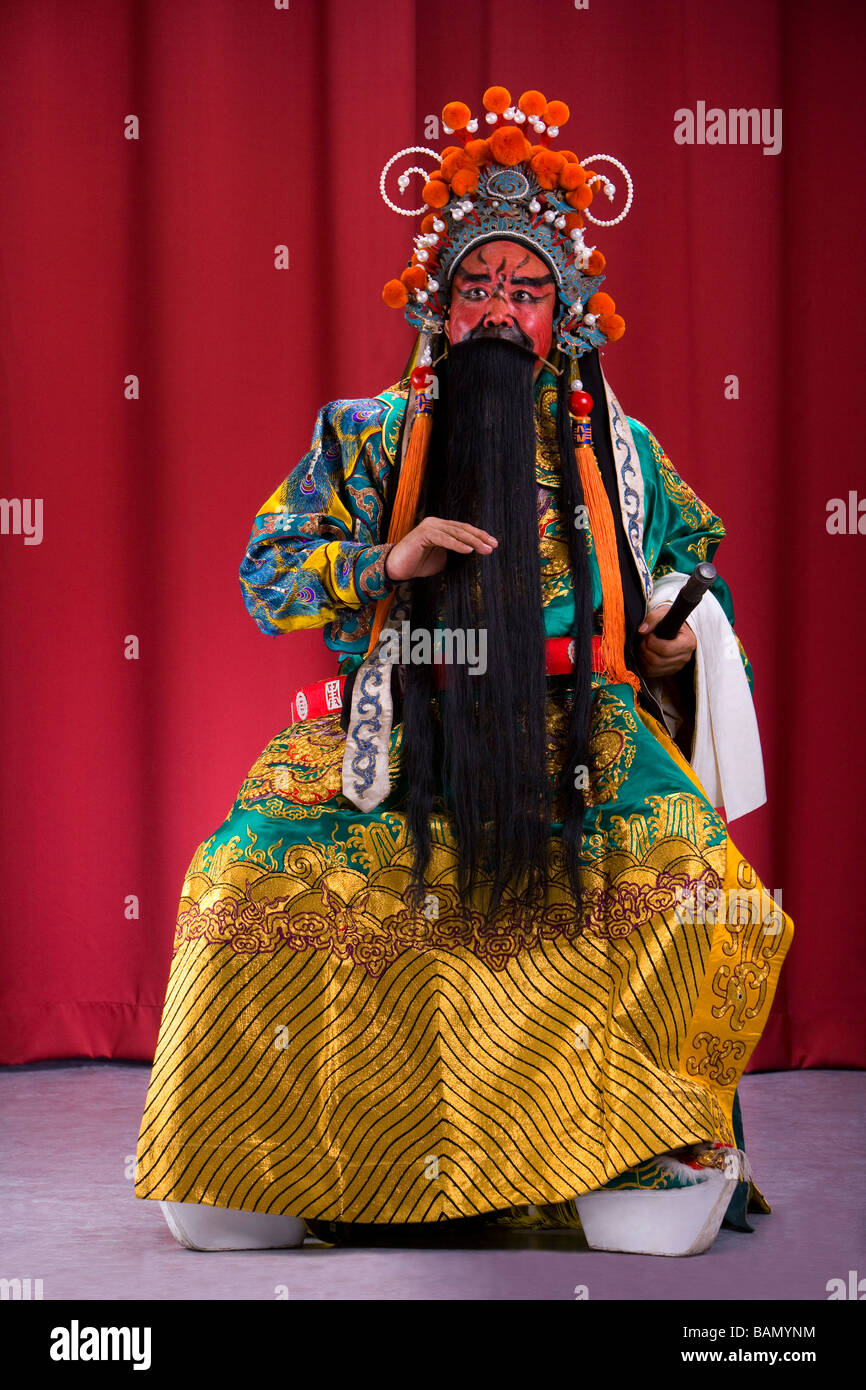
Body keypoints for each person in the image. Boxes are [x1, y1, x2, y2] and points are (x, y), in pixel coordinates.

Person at [135, 86, 793, 1257]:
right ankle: (265, 1166)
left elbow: (689, 573)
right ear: (436, 308)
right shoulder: (366, 433)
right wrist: (390, 558)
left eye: (524, 291)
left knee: (704, 893)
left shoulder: (616, 450)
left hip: (578, 727)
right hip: (404, 721)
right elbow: (264, 572)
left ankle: (640, 1153)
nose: (497, 311)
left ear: (567, 313)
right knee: (239, 887)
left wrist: (674, 639)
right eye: (475, 288)